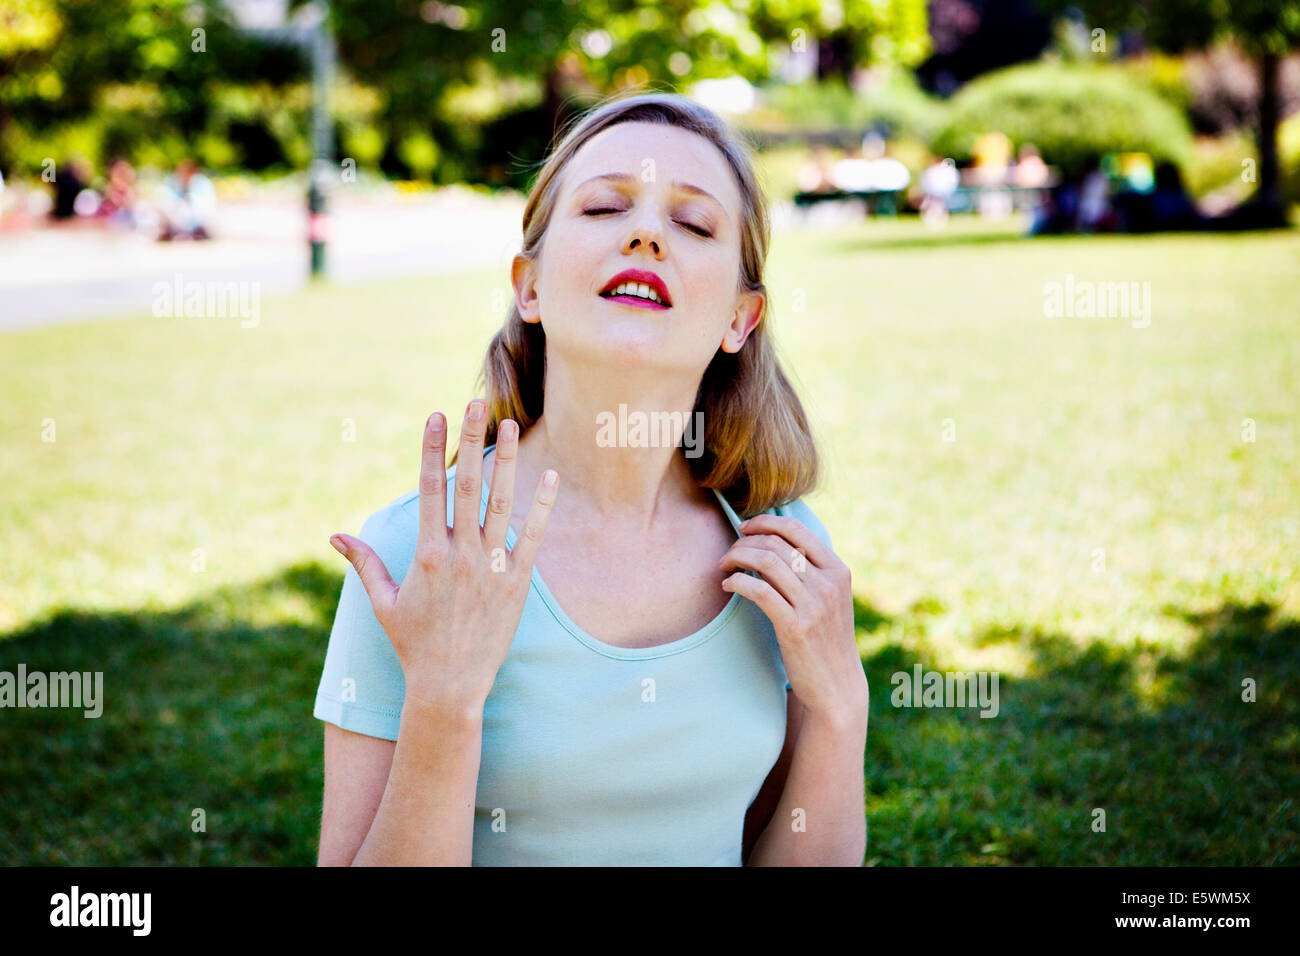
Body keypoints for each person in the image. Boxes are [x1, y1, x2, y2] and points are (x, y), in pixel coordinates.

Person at [314, 92, 870, 866]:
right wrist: (444, 699)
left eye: (695, 223)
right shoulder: (422, 551)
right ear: (530, 286)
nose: (645, 234)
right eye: (606, 207)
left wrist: (841, 709)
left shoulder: (784, 550)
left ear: (741, 320)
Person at [158, 158, 216, 240]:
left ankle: (194, 232)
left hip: (197, 218)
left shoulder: (202, 183)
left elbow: (208, 205)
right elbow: (166, 201)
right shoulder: (171, 182)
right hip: (175, 218)